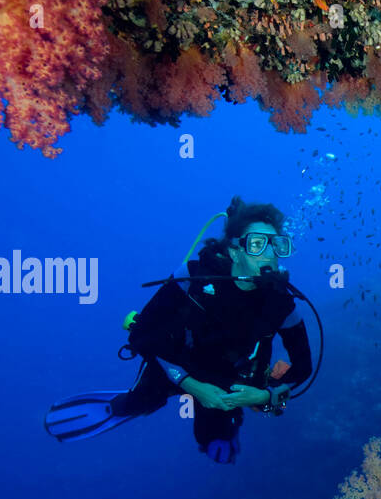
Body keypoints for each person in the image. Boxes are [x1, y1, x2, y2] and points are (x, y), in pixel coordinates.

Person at [44, 197, 313, 463]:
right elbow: (141, 335)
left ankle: (223, 430)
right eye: (257, 244)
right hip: (173, 361)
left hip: (227, 380)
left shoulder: (282, 304)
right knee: (140, 402)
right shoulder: (194, 277)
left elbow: (304, 367)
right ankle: (121, 406)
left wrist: (265, 395)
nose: (268, 254)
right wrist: (192, 386)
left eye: (276, 245)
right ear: (234, 251)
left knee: (212, 438)